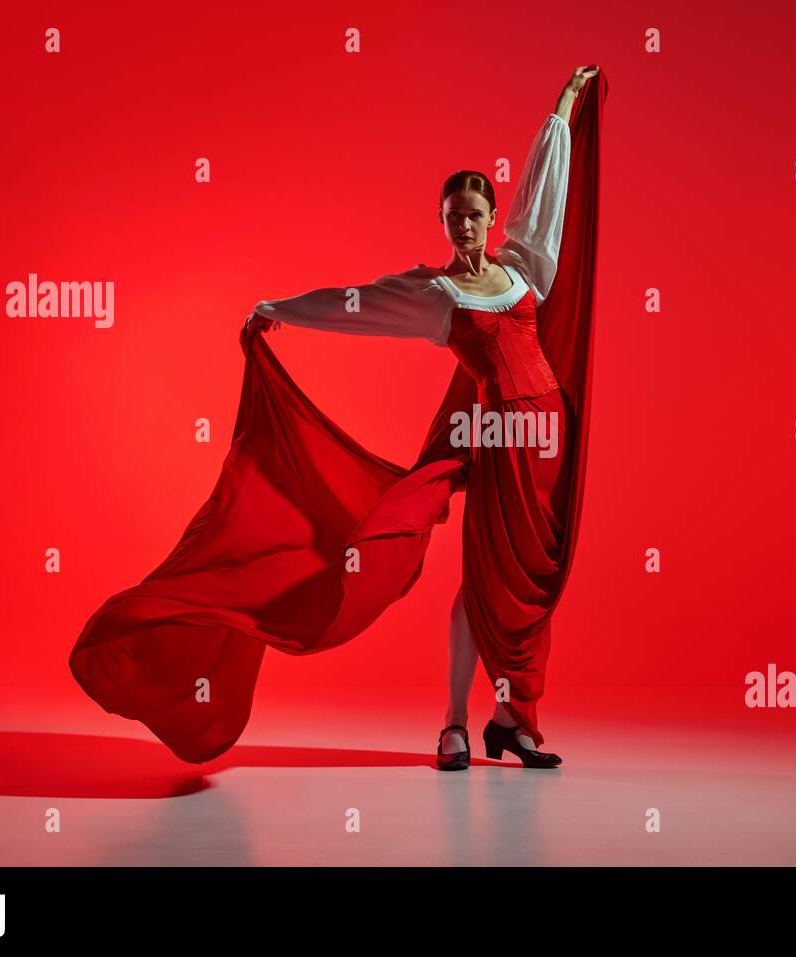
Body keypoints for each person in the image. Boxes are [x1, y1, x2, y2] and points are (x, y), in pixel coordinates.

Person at [69, 66, 606, 772]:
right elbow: (354, 300)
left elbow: (546, 200)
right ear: (443, 223)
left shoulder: (523, 267)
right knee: (485, 580)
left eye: (475, 213)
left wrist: (563, 108)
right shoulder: (435, 293)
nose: (465, 225)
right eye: (453, 216)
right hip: (493, 439)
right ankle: (454, 724)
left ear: (489, 215)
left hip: (545, 442)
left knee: (533, 587)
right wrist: (279, 309)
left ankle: (513, 718)